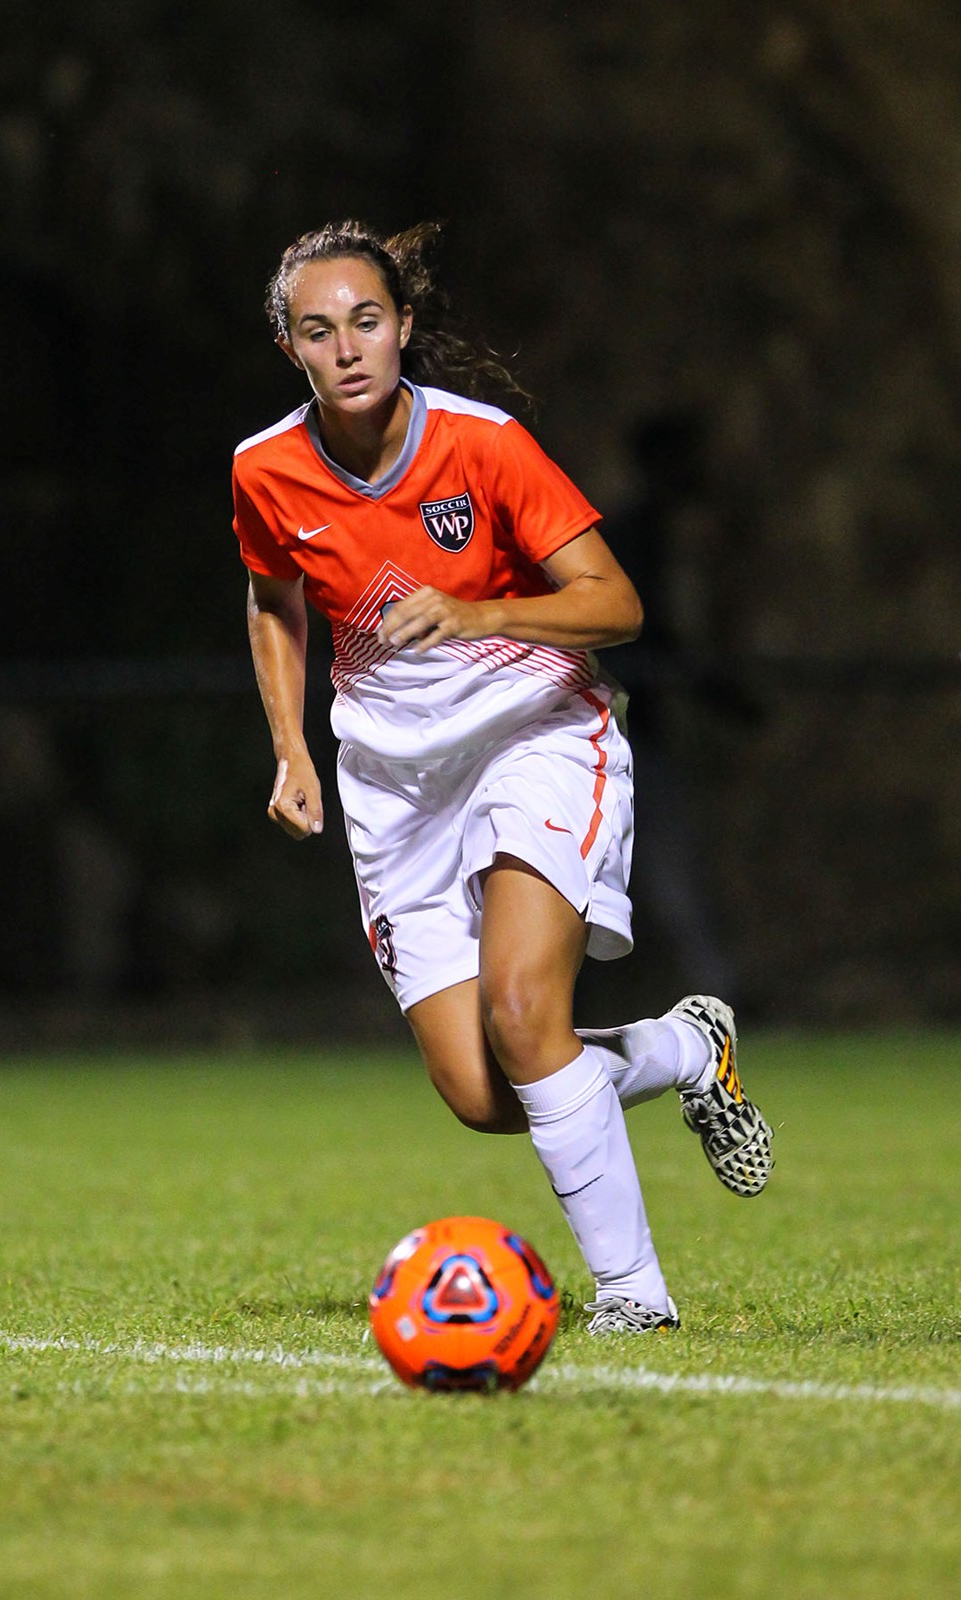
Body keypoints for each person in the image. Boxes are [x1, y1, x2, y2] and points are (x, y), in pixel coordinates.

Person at [232, 220, 773, 1336]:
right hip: (394, 787)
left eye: (368, 322)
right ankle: (684, 1045)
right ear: (290, 348)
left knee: (527, 1015)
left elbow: (615, 604)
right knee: (486, 1095)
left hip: (533, 735)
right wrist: (291, 746)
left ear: (404, 327)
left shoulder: (483, 447)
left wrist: (481, 611)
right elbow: (273, 599)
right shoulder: (263, 467)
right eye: (319, 331)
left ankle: (634, 1300)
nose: (348, 349)